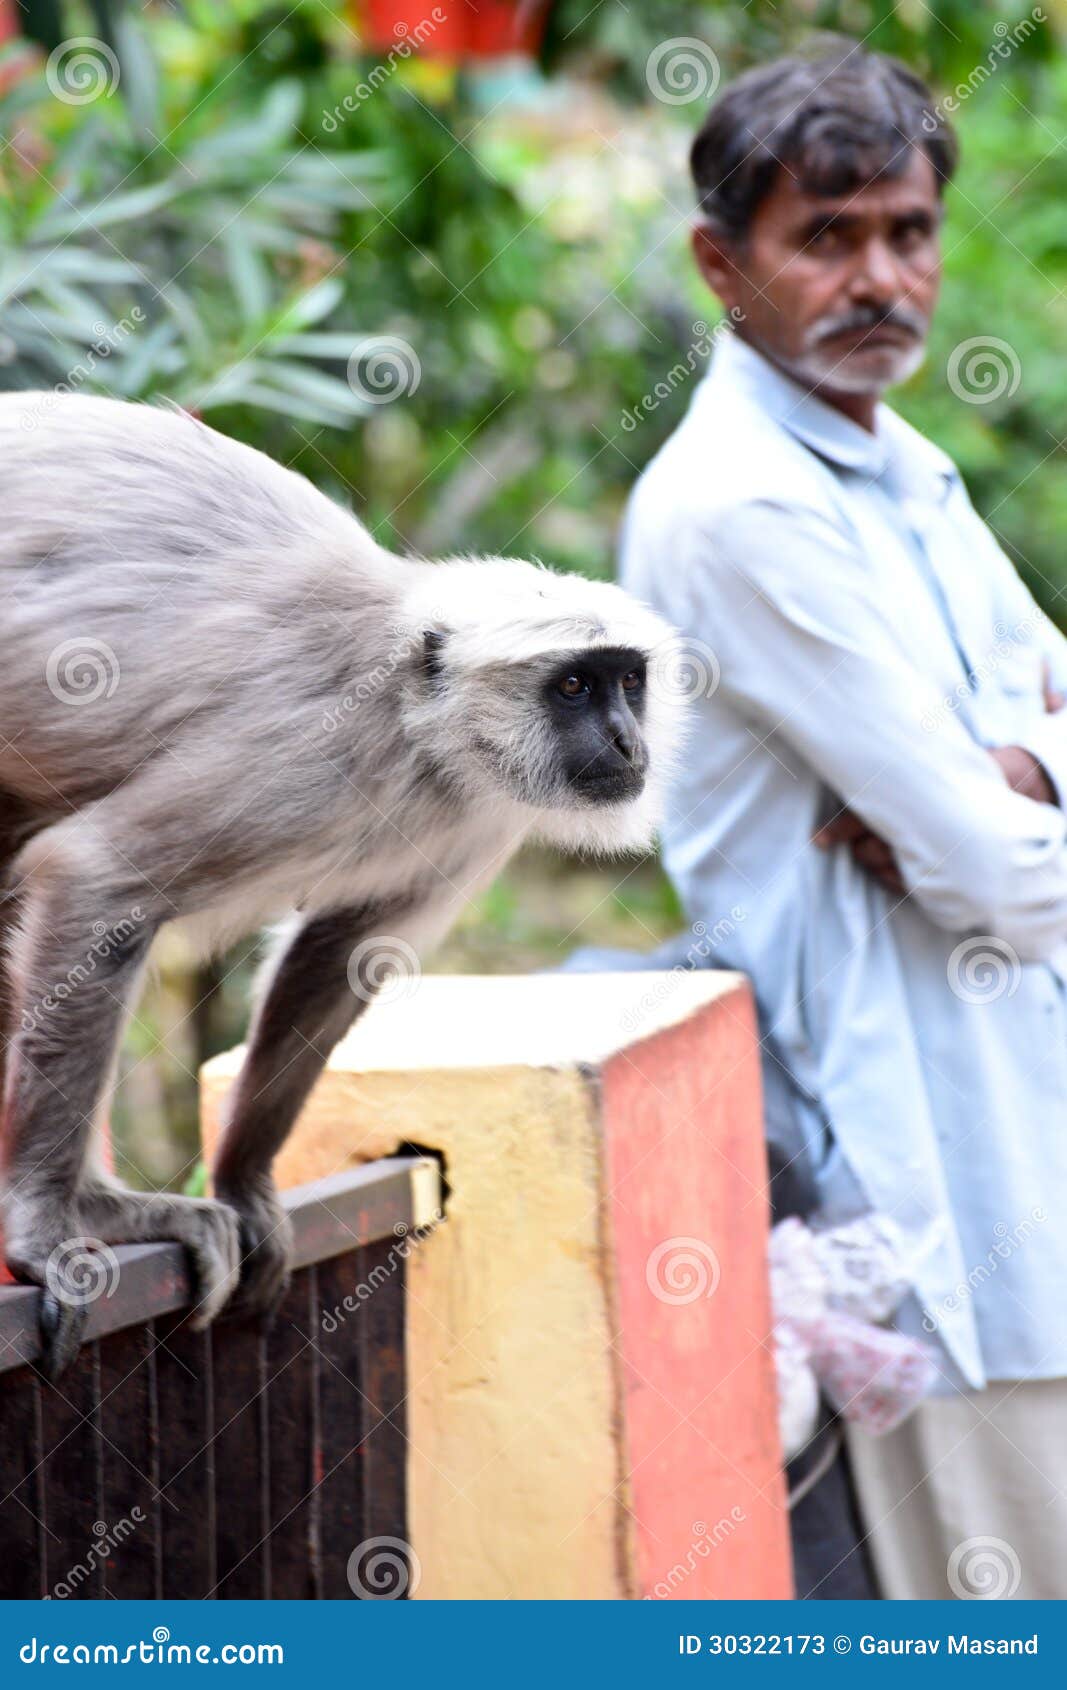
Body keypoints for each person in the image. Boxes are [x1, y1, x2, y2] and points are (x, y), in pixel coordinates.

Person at [619, 42, 1067, 1601]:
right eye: (828, 237)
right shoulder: (739, 504)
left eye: (908, 232)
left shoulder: (908, 468)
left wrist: (1019, 777)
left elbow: (1013, 828)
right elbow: (997, 885)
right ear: (721, 265)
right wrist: (992, 800)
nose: (883, 277)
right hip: (944, 1201)